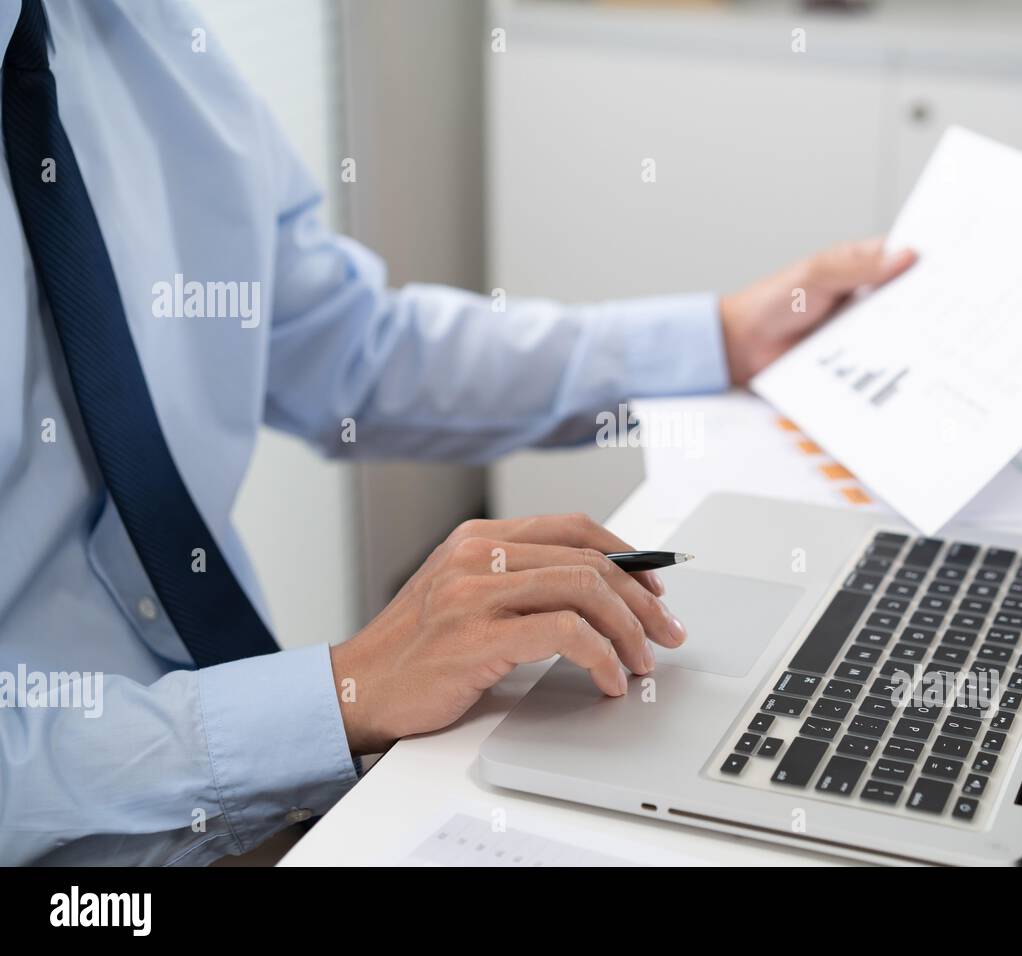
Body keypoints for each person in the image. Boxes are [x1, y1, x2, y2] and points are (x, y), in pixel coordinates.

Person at [0, 0, 915, 864]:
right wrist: (342, 690)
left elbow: (348, 350)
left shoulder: (140, 37)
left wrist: (714, 339)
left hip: (250, 805)